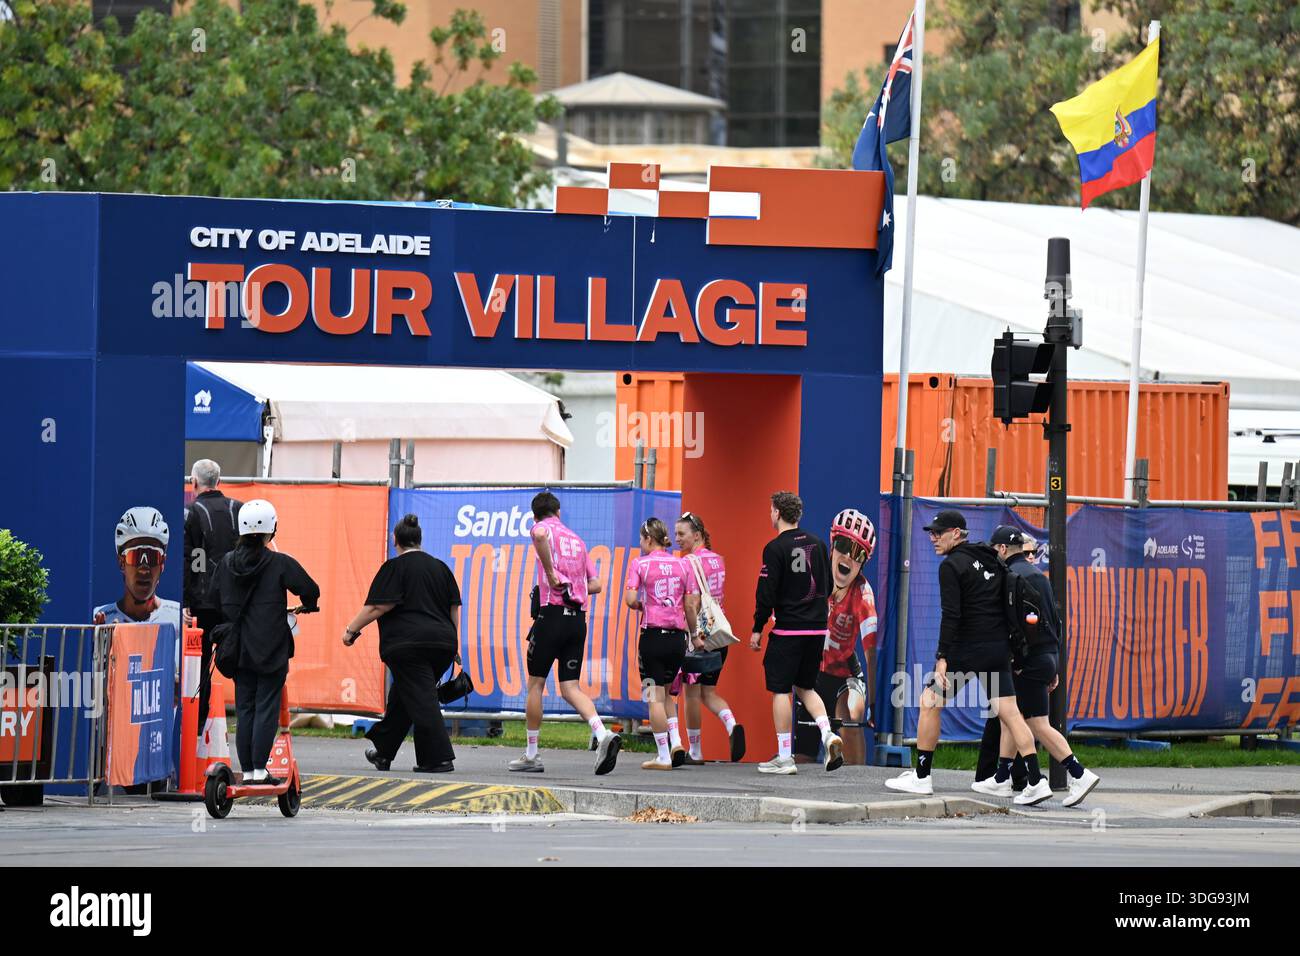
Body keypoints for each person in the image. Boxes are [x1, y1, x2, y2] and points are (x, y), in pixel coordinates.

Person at [885, 510, 1052, 805]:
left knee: (929, 701)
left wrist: (942, 657)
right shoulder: (989, 556)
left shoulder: (950, 566)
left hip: (967, 651)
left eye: (939, 532)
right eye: (931, 533)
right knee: (1011, 714)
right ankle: (1036, 781)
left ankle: (922, 777)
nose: (933, 538)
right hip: (998, 649)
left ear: (957, 533)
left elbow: (952, 615)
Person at [971, 525, 1100, 807]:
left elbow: (1016, 626)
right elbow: (1055, 622)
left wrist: (1019, 658)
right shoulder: (1038, 576)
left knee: (1035, 724)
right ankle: (1002, 777)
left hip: (1028, 660)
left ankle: (1078, 774)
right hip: (1047, 655)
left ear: (1002, 549)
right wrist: (1053, 664)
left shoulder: (1011, 576)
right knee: (1010, 715)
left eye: (995, 550)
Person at [509, 492, 622, 775]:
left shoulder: (542, 528)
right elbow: (595, 584)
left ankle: (532, 754)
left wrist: (549, 572)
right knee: (570, 686)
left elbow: (539, 534)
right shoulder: (578, 541)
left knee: (535, 685)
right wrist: (576, 586)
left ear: (537, 515)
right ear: (558, 510)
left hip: (551, 617)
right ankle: (602, 734)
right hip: (577, 621)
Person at [209, 499, 319, 785]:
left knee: (245, 707)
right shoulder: (278, 563)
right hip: (270, 648)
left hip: (237, 649)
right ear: (272, 529)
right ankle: (260, 769)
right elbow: (309, 588)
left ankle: (247, 770)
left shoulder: (226, 563)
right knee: (266, 705)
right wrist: (308, 603)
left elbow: (212, 599)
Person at [344, 514, 461, 774]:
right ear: (419, 539)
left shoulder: (394, 568)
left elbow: (378, 606)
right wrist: (455, 644)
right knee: (407, 694)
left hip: (408, 645)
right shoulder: (441, 568)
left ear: (395, 540)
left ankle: (438, 758)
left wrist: (351, 630)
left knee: (421, 697)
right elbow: (454, 608)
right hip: (443, 643)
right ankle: (383, 752)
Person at [750, 491, 844, 775]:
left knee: (781, 690)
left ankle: (784, 756)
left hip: (788, 630)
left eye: (770, 510)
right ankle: (828, 734)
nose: (770, 515)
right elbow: (828, 587)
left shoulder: (774, 548)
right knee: (806, 687)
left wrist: (757, 628)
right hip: (817, 630)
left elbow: (766, 592)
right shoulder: (816, 543)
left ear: (777, 513)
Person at [795, 508, 879, 766]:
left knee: (850, 712)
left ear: (863, 563)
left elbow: (871, 654)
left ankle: (859, 783)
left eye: (858, 554)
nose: (848, 558)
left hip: (846, 674)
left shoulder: (863, 593)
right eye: (843, 545)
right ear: (832, 544)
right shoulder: (812, 575)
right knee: (803, 758)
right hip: (814, 672)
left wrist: (872, 702)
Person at [669, 512, 746, 764]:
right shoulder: (718, 560)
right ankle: (731, 724)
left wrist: (690, 632)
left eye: (682, 534)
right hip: (719, 636)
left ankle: (695, 750)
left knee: (692, 693)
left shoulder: (687, 563)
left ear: (697, 535)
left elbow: (690, 603)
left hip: (697, 637)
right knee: (709, 692)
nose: (676, 539)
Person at [625, 517, 699, 771]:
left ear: (648, 539)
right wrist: (695, 634)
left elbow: (630, 598)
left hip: (652, 637)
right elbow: (690, 605)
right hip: (678, 639)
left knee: (652, 697)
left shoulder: (640, 564)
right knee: (669, 693)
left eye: (641, 540)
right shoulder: (682, 565)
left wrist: (641, 605)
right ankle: (677, 741)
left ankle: (663, 755)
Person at [182, 459, 243, 735]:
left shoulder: (193, 513)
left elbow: (191, 560)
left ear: (194, 483)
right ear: (219, 481)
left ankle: (197, 725)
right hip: (235, 603)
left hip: (203, 603)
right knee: (241, 664)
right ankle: (247, 723)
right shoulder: (238, 510)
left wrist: (186, 600)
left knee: (202, 664)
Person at [93, 507, 183, 634]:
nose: (144, 569)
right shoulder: (99, 620)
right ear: (121, 562)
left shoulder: (179, 619)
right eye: (135, 556)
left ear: (162, 563)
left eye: (152, 556)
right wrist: (101, 650)